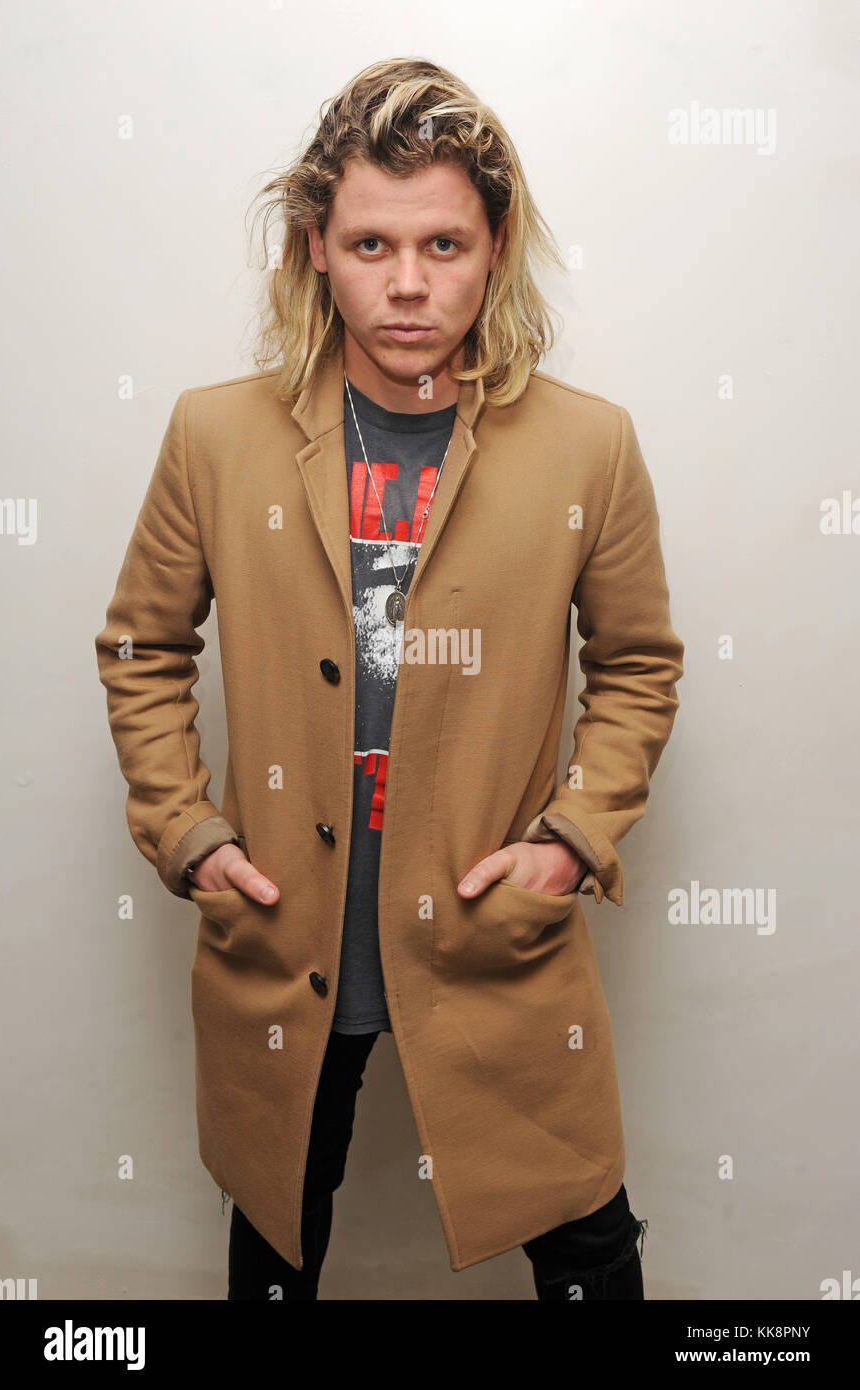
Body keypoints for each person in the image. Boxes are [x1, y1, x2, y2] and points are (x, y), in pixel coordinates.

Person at [95, 56, 683, 1300]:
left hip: (488, 938)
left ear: (497, 242)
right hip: (284, 936)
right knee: (272, 1257)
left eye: (443, 244)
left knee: (588, 1254)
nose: (407, 284)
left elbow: (634, 668)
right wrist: (186, 830)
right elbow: (144, 645)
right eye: (369, 242)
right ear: (316, 244)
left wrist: (572, 840)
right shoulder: (216, 434)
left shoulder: (589, 444)